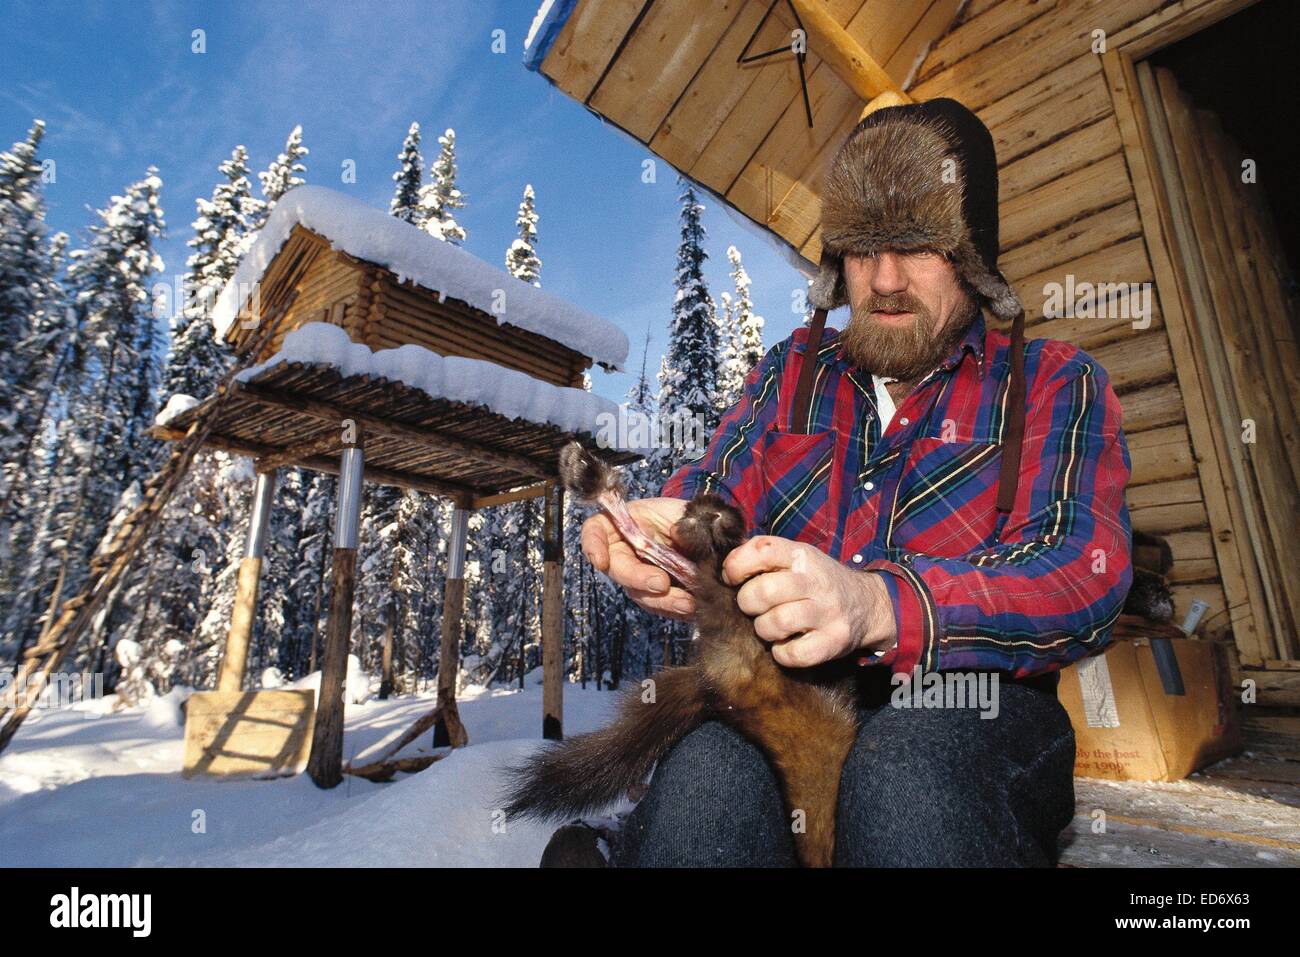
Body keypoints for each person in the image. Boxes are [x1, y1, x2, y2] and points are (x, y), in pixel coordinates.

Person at [574, 98, 1132, 867]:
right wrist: (666, 536)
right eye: (864, 249)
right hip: (792, 700)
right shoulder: (791, 377)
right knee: (705, 781)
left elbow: (1078, 576)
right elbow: (713, 486)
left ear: (973, 255)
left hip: (969, 706)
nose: (888, 279)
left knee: (903, 776)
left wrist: (878, 604)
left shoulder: (1050, 383)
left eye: (920, 245)